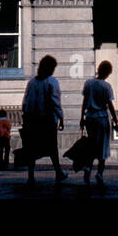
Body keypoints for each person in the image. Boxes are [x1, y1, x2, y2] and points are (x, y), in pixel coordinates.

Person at [22, 55, 67, 186]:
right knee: (52, 148)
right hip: (47, 120)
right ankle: (58, 172)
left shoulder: (32, 82)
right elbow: (55, 102)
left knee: (31, 149)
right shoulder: (52, 82)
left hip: (32, 120)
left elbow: (26, 101)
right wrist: (61, 117)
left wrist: (25, 116)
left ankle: (31, 176)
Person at [79, 60, 118, 186]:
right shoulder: (106, 86)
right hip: (102, 118)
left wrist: (82, 118)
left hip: (90, 118)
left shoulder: (88, 83)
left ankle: (87, 169)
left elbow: (85, 102)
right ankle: (99, 173)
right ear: (107, 73)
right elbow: (110, 105)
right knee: (102, 147)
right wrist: (115, 121)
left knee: (91, 146)